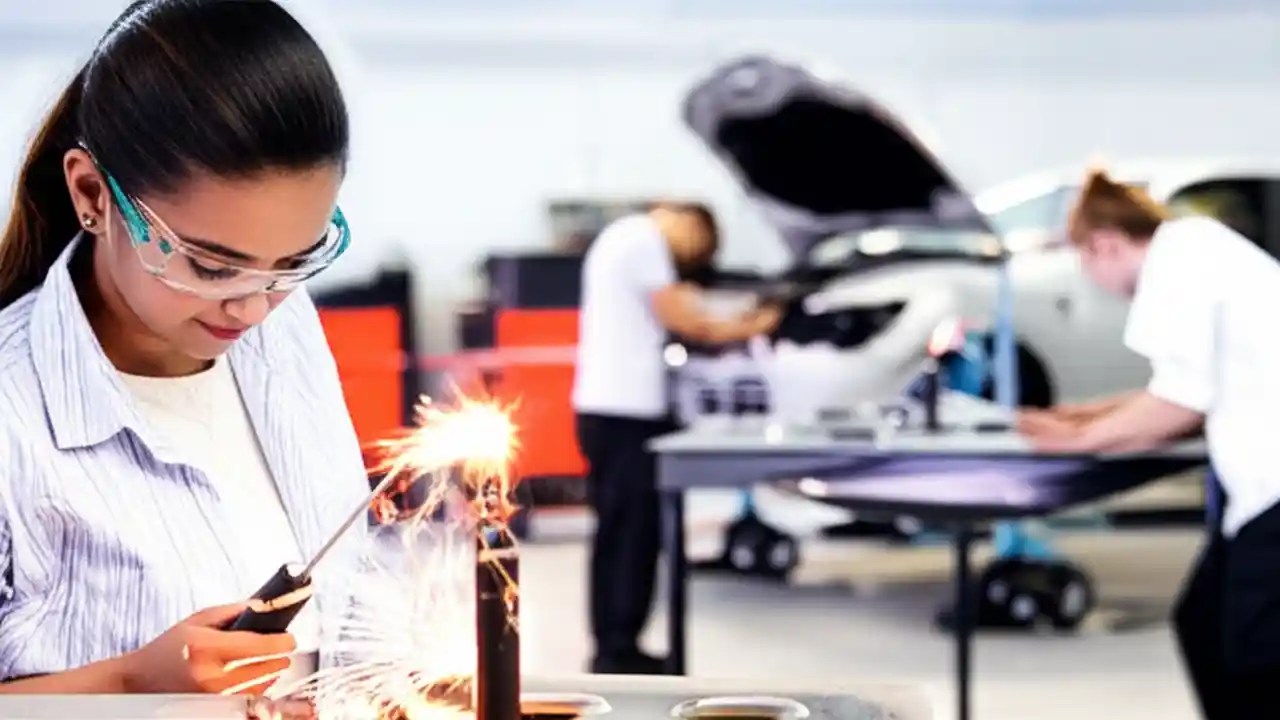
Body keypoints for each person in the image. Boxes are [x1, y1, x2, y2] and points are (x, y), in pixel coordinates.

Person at [0, 0, 367, 696]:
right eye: (210, 265)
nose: (255, 307)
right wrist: (132, 680)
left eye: (294, 263)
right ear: (91, 194)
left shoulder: (286, 330)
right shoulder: (12, 413)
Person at [1017, 169, 1280, 719]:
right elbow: (1181, 388)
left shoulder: (1177, 261)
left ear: (1103, 244)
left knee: (1255, 657)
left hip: (1272, 492)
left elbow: (1181, 404)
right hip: (1256, 492)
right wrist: (1082, 415)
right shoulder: (1196, 247)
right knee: (1205, 624)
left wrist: (1075, 443)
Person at [572, 202, 783, 674]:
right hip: (627, 415)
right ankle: (618, 650)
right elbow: (692, 322)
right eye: (701, 248)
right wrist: (761, 322)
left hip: (606, 409)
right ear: (689, 221)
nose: (693, 259)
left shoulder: (621, 240)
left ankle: (614, 644)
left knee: (617, 532)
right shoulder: (643, 239)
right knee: (634, 534)